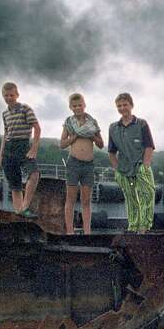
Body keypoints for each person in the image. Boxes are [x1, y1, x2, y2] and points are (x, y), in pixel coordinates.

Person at [108, 92, 155, 232]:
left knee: (147, 195)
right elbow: (111, 152)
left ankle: (144, 227)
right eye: (119, 106)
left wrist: (145, 166)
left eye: (125, 105)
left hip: (140, 166)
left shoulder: (141, 124)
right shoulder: (113, 128)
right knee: (130, 198)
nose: (122, 108)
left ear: (131, 105)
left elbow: (149, 146)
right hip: (124, 169)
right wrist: (117, 170)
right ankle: (133, 226)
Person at [60, 92, 104, 234]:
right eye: (74, 106)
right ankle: (70, 232)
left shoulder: (92, 123)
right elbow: (62, 144)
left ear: (84, 105)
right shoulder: (69, 123)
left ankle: (87, 232)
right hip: (73, 163)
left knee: (86, 201)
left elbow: (101, 144)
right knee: (70, 199)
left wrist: (92, 136)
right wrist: (74, 137)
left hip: (88, 165)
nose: (77, 108)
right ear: (70, 107)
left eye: (80, 105)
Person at [0, 82, 41, 217]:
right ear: (3, 96)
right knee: (15, 184)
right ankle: (19, 212)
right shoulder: (5, 113)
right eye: (6, 96)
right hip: (9, 148)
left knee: (34, 174)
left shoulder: (25, 109)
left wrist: (34, 149)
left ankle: (24, 207)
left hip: (23, 146)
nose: (9, 98)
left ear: (17, 95)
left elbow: (37, 128)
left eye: (11, 95)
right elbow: (5, 134)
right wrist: (0, 155)